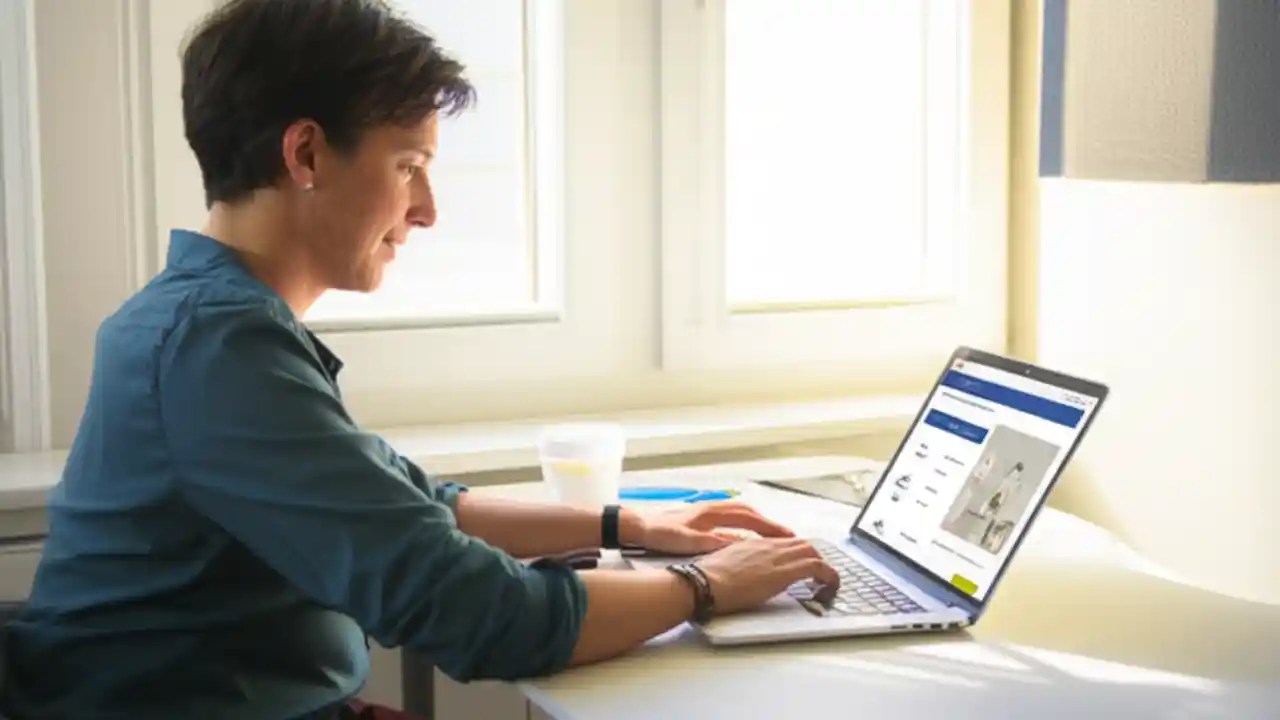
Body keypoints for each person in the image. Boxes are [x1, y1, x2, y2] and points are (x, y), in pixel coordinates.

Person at [0, 1, 839, 718]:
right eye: (409, 166)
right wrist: (708, 587)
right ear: (306, 155)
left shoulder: (196, 316)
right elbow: (482, 616)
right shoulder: (220, 347)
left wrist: (629, 526)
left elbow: (414, 503)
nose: (428, 210)